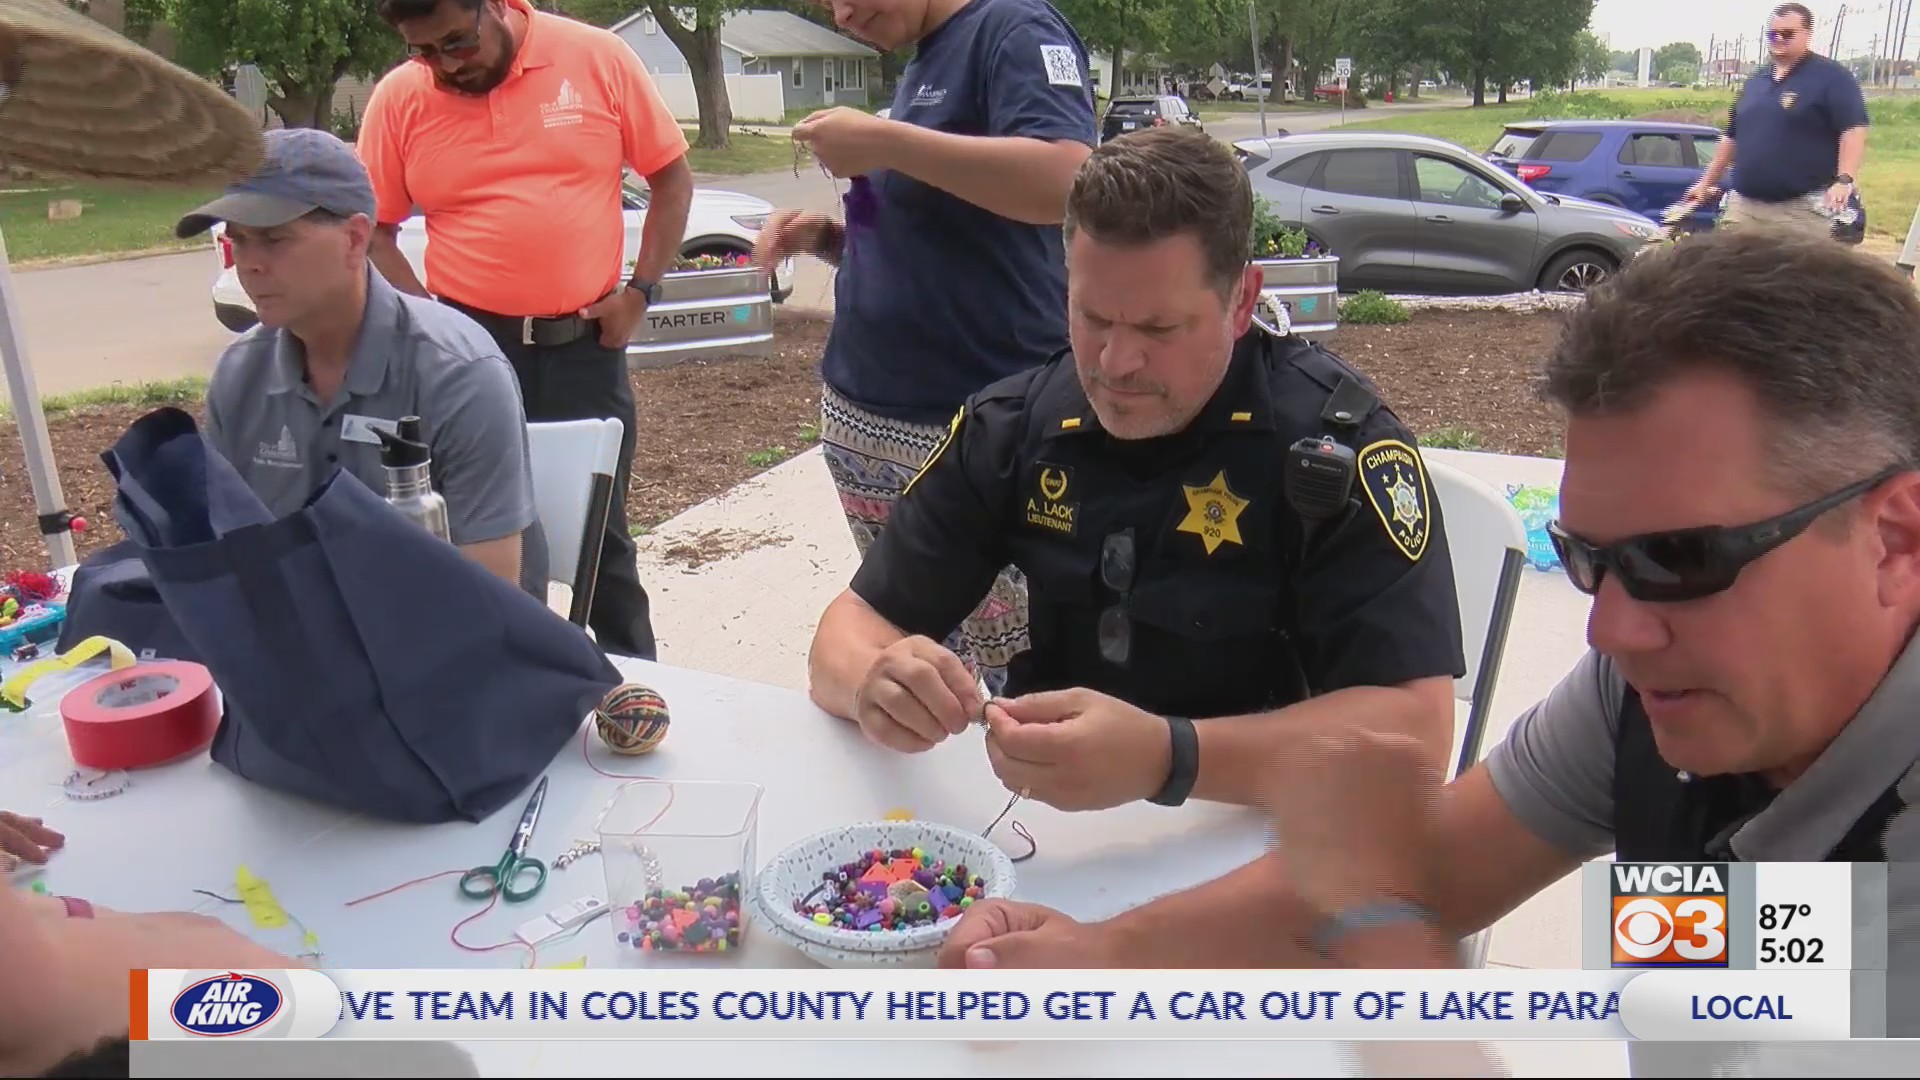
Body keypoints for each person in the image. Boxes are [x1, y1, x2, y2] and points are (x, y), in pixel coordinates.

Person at [936, 230, 1920, 1051]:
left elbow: (1390, 897)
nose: (1610, 629)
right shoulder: (1663, 693)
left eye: (1679, 559)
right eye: (1591, 560)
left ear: (1896, 540)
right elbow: (1443, 869)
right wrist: (1106, 955)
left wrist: (1377, 929)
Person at [806, 126, 1464, 812]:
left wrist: (1170, 760)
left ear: (1242, 301)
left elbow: (1417, 739)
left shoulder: (1332, 452)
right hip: (1056, 842)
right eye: (1092, 317)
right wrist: (877, 682)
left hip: (1262, 836)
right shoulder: (1017, 427)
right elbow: (845, 634)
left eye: (1157, 329)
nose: (1116, 363)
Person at [755, 0, 1099, 698]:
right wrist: (826, 239)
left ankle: (1021, 802)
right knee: (915, 661)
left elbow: (1071, 178)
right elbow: (938, 240)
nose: (843, 15)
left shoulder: (1012, 29)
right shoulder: (924, 60)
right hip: (869, 422)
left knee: (1018, 672)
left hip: (971, 426)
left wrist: (887, 142)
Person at [359, 0, 694, 660]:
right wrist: (431, 323)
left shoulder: (596, 58)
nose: (444, 66)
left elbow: (671, 177)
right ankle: (507, 681)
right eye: (422, 52)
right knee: (483, 532)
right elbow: (374, 229)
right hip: (466, 359)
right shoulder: (401, 98)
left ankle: (636, 692)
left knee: (603, 538)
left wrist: (640, 293)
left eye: (456, 42)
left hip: (583, 346)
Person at [178, 129, 547, 599]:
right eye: (240, 241)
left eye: (273, 239)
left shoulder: (459, 372)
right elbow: (230, 558)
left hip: (455, 645)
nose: (249, 264)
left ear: (355, 239)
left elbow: (493, 597)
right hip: (306, 643)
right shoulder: (239, 374)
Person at [1686, 2, 1868, 237]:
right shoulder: (1756, 80)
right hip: (1745, 207)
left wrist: (1844, 180)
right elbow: (1731, 138)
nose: (1779, 38)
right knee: (1737, 271)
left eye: (1788, 33)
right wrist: (1705, 183)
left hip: (1800, 209)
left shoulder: (1832, 77)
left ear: (1807, 34)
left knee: (1798, 273)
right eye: (1773, 33)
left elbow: (1853, 130)